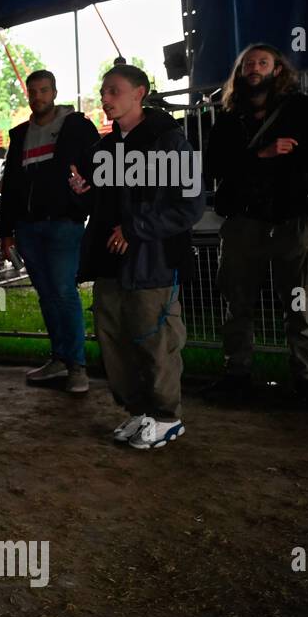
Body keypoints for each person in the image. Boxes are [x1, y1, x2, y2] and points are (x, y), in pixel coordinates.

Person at [70, 64, 205, 449]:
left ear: (139, 93)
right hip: (110, 265)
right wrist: (82, 191)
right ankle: (139, 411)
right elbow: (102, 202)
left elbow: (189, 206)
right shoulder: (105, 148)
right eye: (103, 91)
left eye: (113, 90)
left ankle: (166, 416)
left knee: (153, 338)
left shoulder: (170, 140)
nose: (105, 98)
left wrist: (136, 229)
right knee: (114, 338)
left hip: (154, 262)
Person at [204, 43, 308, 408]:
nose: (254, 68)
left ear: (278, 69)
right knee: (237, 304)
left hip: (293, 223)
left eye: (262, 62)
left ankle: (306, 381)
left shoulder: (303, 111)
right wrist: (258, 155)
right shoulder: (230, 119)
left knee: (298, 304)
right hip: (243, 224)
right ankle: (237, 376)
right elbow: (214, 168)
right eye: (248, 64)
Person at [0, 69, 101, 393]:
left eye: (43, 90)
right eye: (33, 91)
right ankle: (60, 358)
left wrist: (84, 202)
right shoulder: (20, 135)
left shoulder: (77, 127)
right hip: (28, 228)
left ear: (54, 92)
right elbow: (10, 187)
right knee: (48, 294)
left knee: (63, 292)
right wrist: (6, 232)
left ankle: (76, 366)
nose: (38, 96)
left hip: (63, 224)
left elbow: (99, 168)